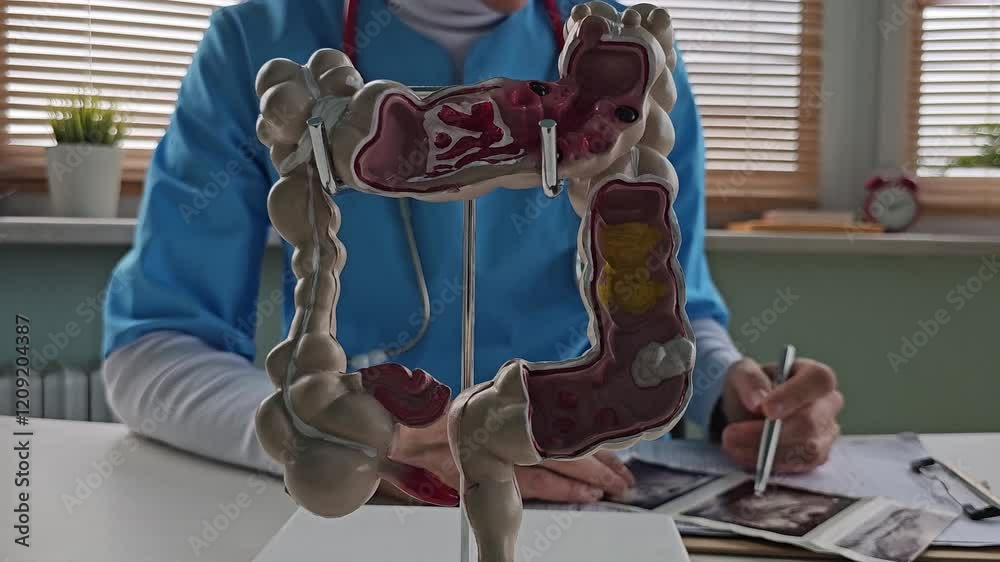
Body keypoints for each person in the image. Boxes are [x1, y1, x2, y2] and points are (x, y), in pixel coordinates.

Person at [102, 0, 844, 505]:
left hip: (586, 496)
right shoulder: (257, 42)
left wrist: (734, 393)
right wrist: (354, 441)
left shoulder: (628, 58)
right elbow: (155, 349)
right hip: (363, 503)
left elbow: (678, 303)